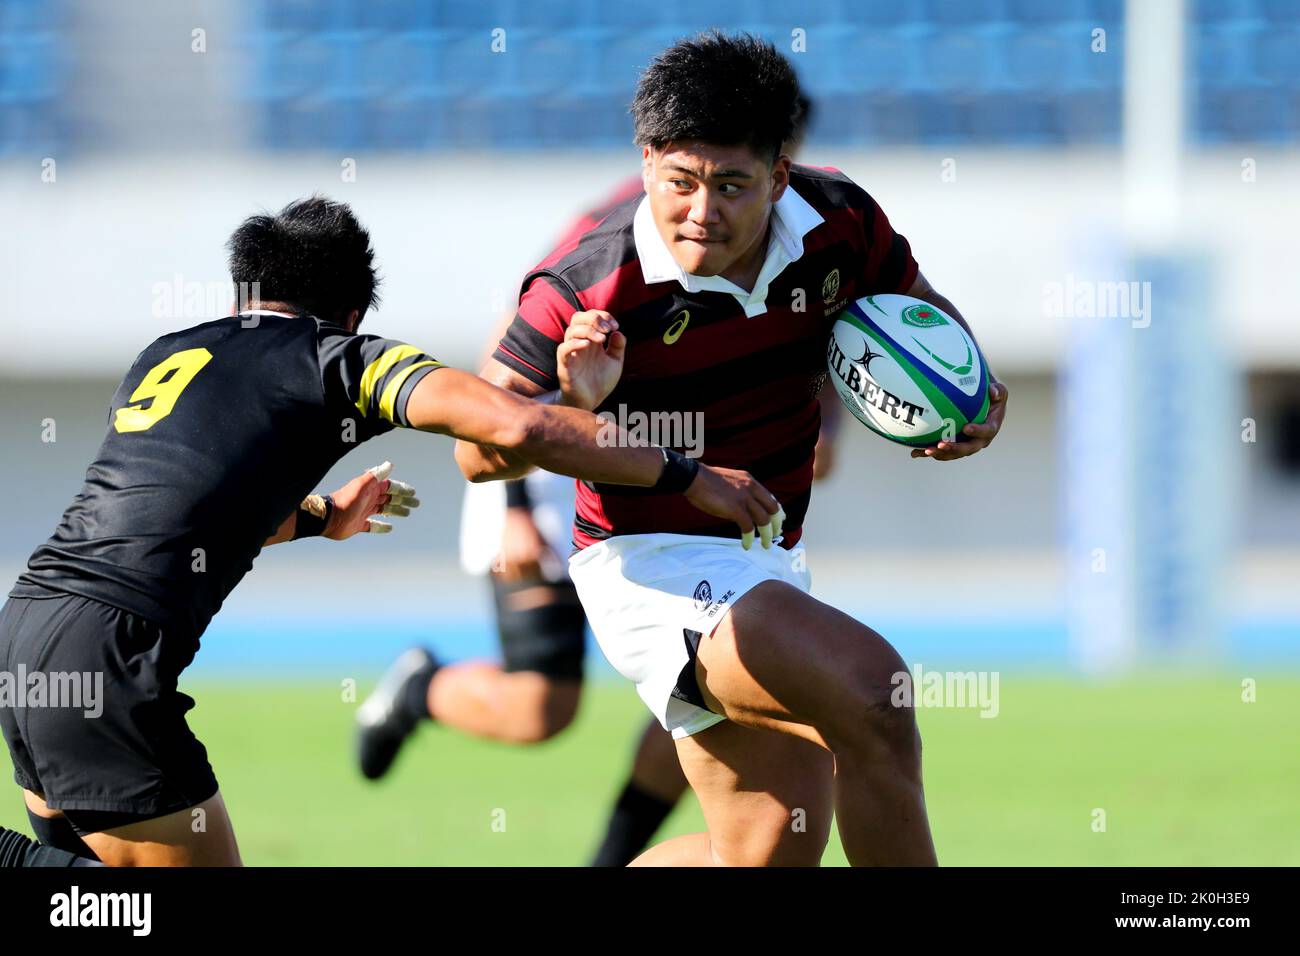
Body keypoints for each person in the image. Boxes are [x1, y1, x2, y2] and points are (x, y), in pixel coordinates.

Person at [0, 196, 779, 866]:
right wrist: (690, 475)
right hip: (111, 658)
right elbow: (512, 425)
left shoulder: (167, 353)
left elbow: (175, 510)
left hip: (27, 632)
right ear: (352, 313)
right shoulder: (334, 359)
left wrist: (317, 519)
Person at [455, 32, 1009, 866]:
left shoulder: (840, 221)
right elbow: (479, 450)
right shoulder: (584, 284)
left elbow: (916, 306)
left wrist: (970, 396)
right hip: (649, 564)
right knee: (875, 695)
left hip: (768, 556)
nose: (701, 211)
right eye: (679, 182)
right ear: (646, 164)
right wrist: (577, 401)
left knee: (758, 853)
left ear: (779, 176)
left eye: (731, 185)